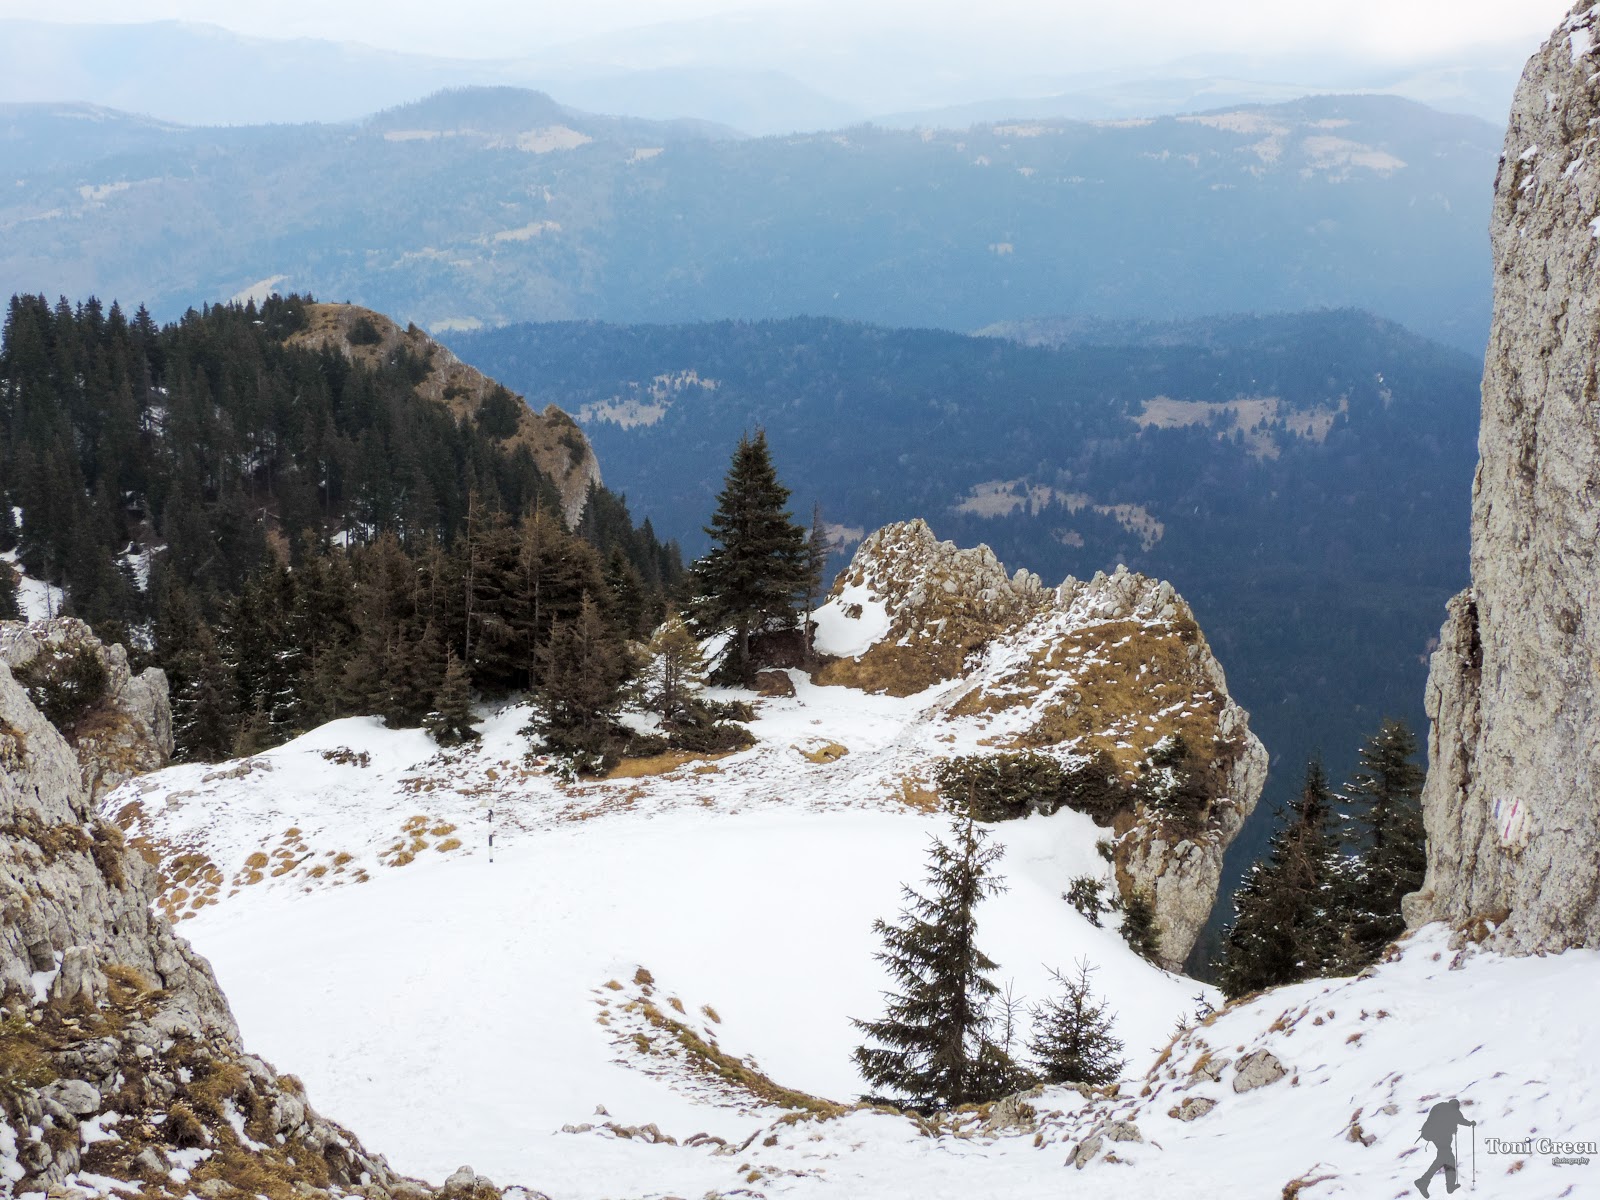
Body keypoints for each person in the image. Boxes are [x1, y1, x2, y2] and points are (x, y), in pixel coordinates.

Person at [1415, 1098, 1476, 1196]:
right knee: (1445, 1158)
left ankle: (1448, 1185)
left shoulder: (1440, 1107)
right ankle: (1424, 1181)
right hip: (1441, 1137)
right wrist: (1471, 1123)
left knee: (1447, 1159)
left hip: (1431, 1135)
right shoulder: (1453, 1111)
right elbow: (1462, 1121)